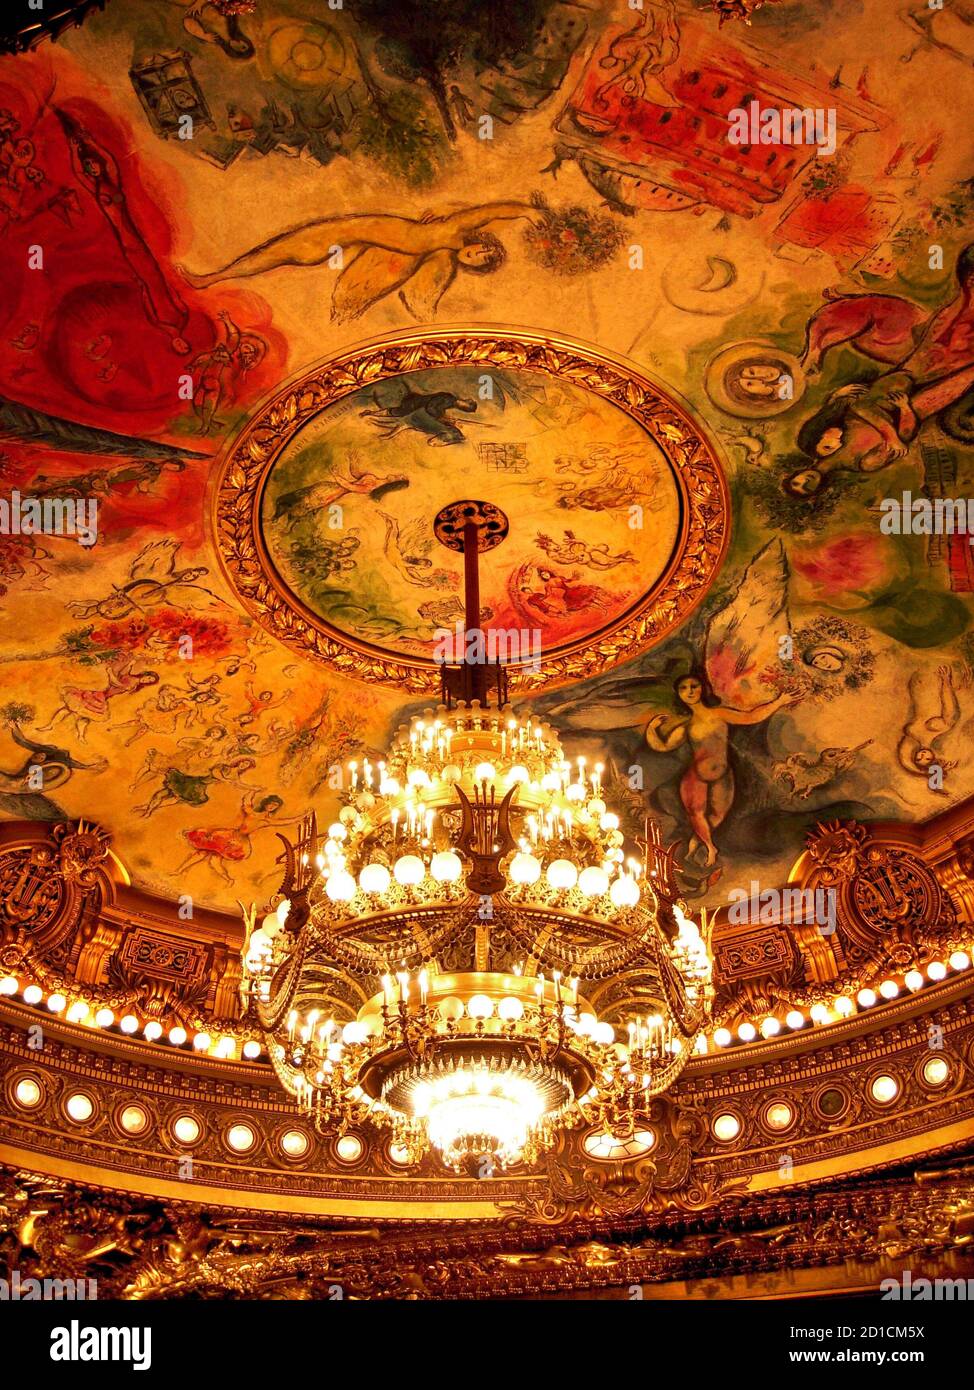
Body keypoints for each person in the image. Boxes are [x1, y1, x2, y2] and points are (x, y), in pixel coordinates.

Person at [645, 672, 798, 867]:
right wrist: (652, 729)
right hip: (696, 777)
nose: (690, 691)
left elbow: (751, 716)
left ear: (702, 689)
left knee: (718, 815)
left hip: (724, 775)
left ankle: (696, 840)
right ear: (679, 695)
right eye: (683, 689)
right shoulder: (686, 727)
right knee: (696, 813)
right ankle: (710, 848)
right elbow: (662, 746)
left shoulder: (720, 714)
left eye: (694, 686)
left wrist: (779, 701)